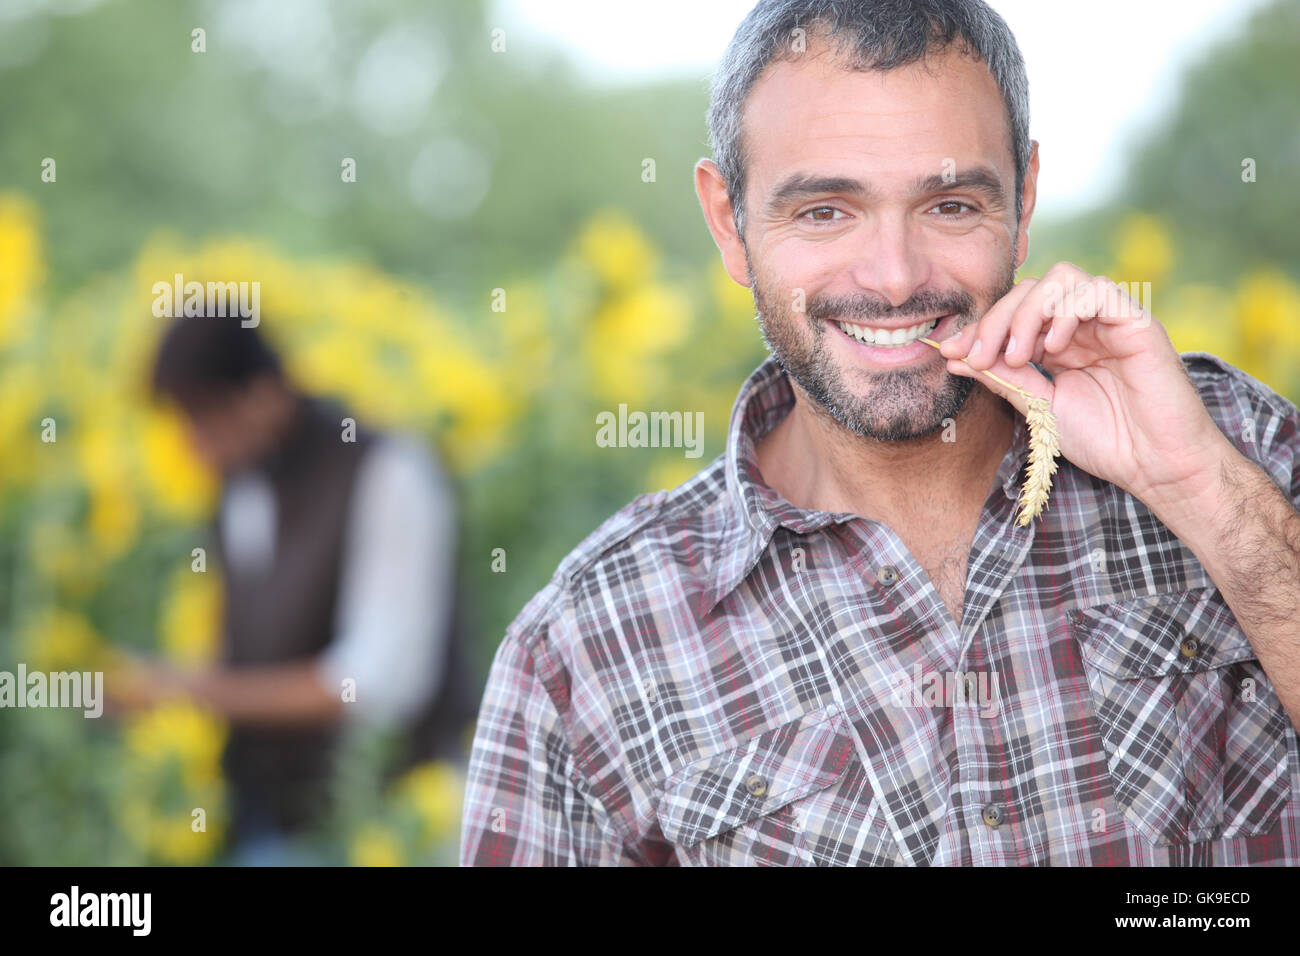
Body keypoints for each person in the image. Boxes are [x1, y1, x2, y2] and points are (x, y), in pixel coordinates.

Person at [461, 0, 1300, 866]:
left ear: (1025, 194)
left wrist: (1201, 491)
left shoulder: (1238, 452)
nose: (895, 280)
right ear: (729, 221)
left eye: (950, 205)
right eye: (825, 211)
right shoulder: (589, 643)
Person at [116, 311, 476, 865]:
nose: (190, 448)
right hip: (264, 817)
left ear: (261, 395)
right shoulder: (236, 485)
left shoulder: (390, 474)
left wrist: (183, 691)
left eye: (201, 421)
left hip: (390, 828)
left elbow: (377, 684)